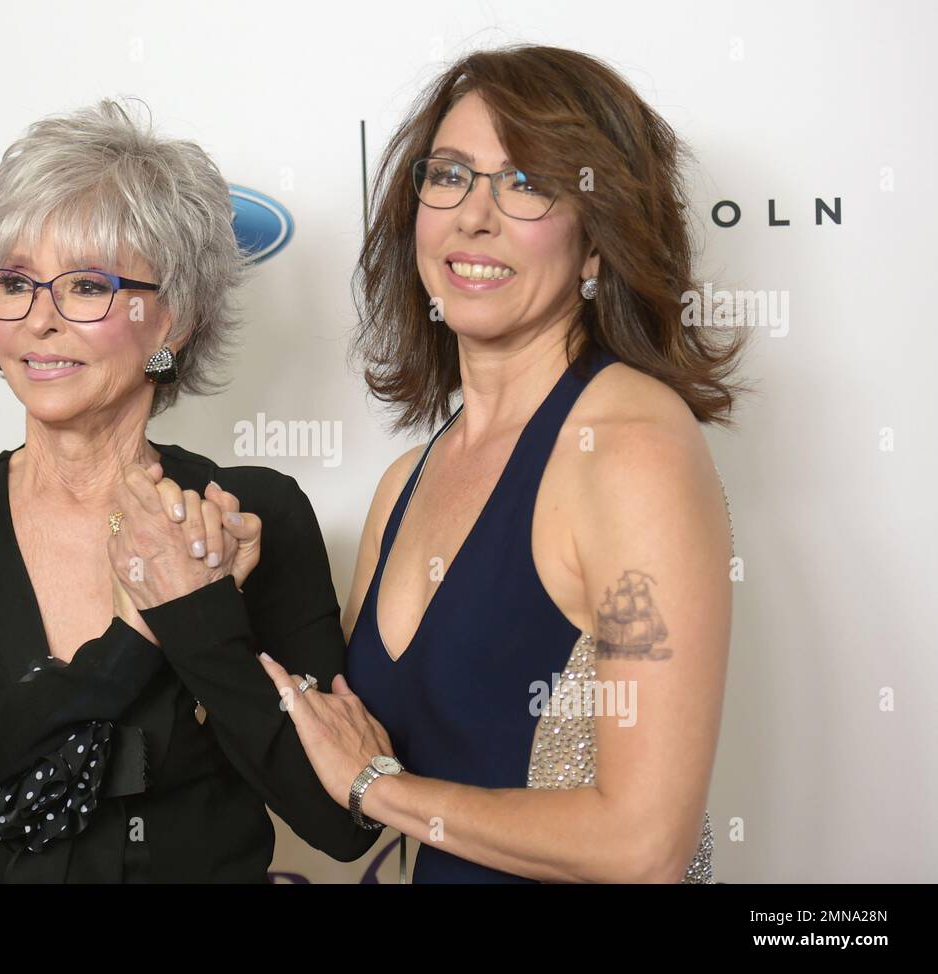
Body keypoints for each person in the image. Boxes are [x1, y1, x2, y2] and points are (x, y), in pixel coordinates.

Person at [117, 45, 743, 883]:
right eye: (449, 175)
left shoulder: (633, 451)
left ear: (598, 246)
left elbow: (646, 845)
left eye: (527, 183)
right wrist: (215, 599)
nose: (474, 217)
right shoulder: (405, 484)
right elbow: (332, 766)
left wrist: (383, 788)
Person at [0, 99, 380, 882]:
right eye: (16, 282)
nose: (40, 322)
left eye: (87, 286)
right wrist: (126, 651)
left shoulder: (251, 514)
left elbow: (340, 821)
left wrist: (201, 615)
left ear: (172, 321)